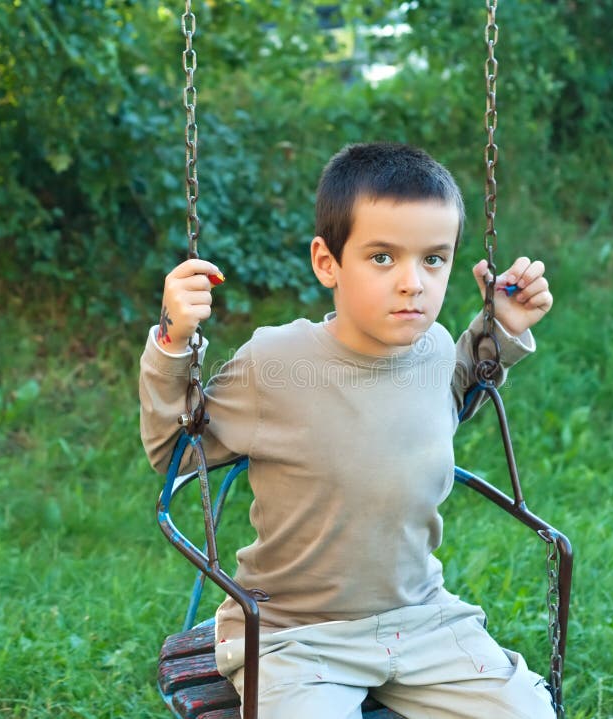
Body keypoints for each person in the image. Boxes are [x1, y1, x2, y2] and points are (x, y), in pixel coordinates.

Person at [140, 142, 555, 719]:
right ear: (327, 262)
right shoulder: (276, 363)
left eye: (434, 259)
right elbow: (176, 454)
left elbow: (449, 400)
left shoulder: (435, 348)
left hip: (421, 619)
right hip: (293, 633)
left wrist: (499, 331)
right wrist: (173, 340)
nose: (413, 282)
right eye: (382, 257)